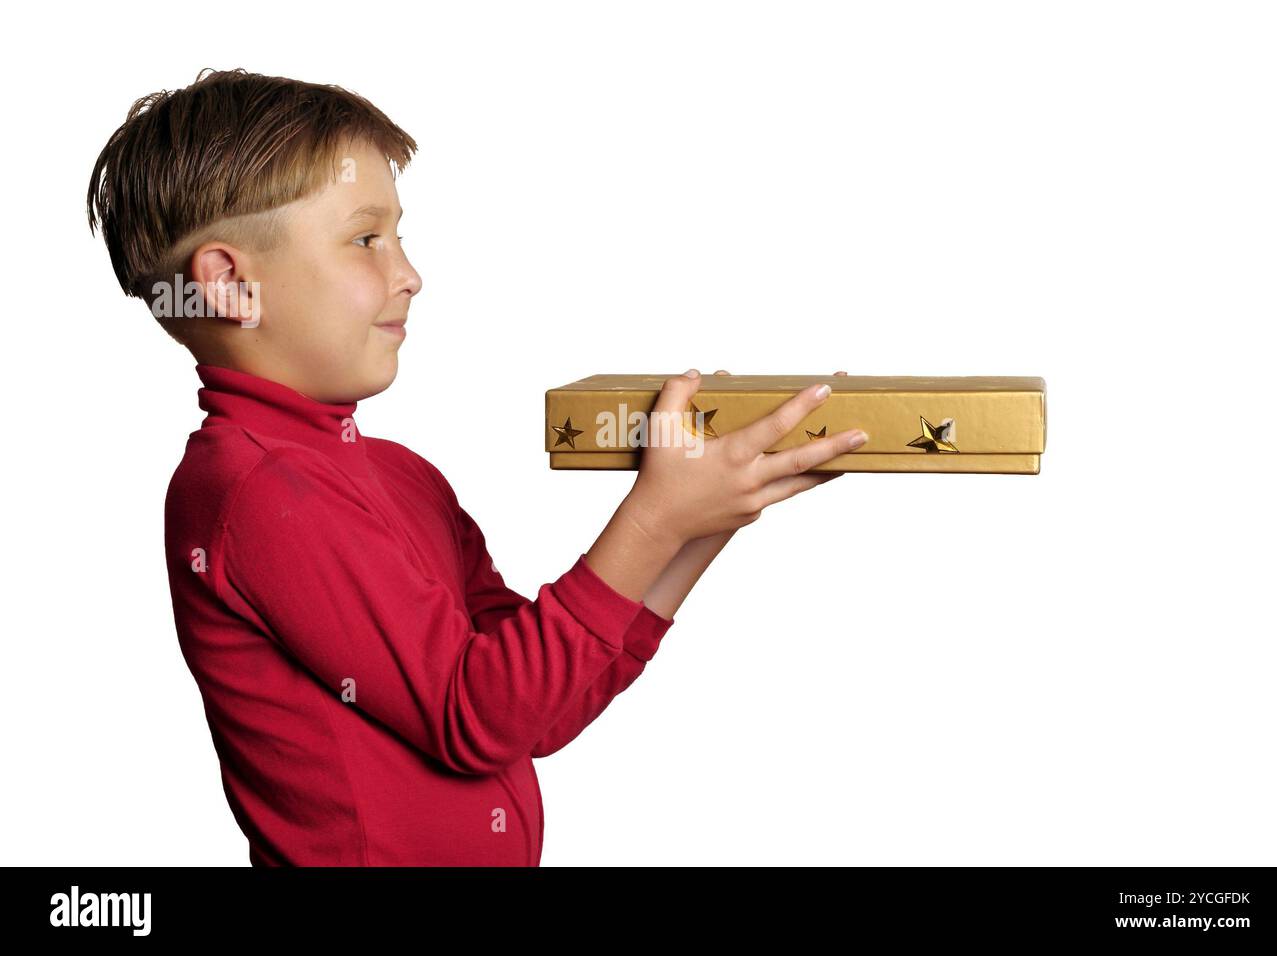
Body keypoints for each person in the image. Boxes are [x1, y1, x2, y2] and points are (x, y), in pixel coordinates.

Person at [86, 68, 867, 865]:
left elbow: (537, 709)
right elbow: (474, 715)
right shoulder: (256, 492)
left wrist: (705, 521)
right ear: (228, 284)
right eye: (366, 239)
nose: (409, 273)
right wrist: (657, 517)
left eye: (398, 236)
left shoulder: (401, 476)